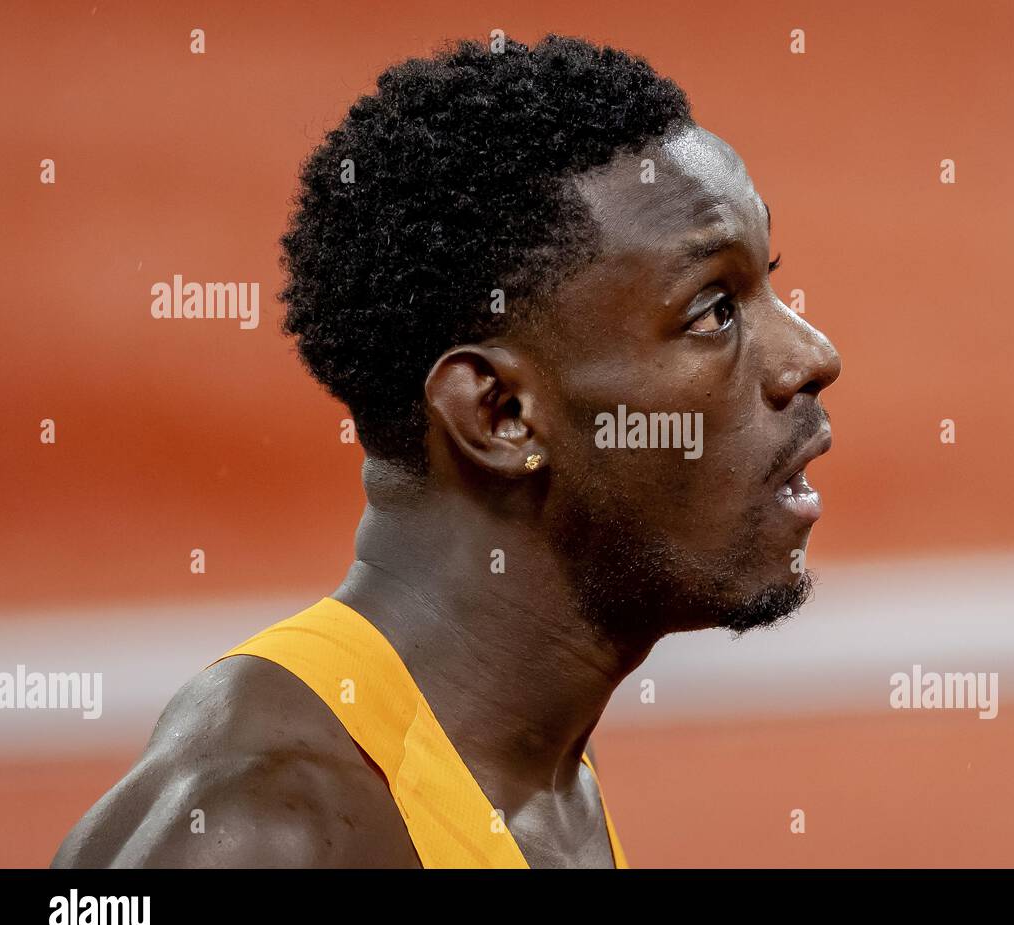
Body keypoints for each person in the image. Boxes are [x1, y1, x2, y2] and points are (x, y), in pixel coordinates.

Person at [52, 33, 840, 868]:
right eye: (714, 309)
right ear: (502, 413)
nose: (813, 355)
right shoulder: (260, 831)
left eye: (769, 280)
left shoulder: (527, 767)